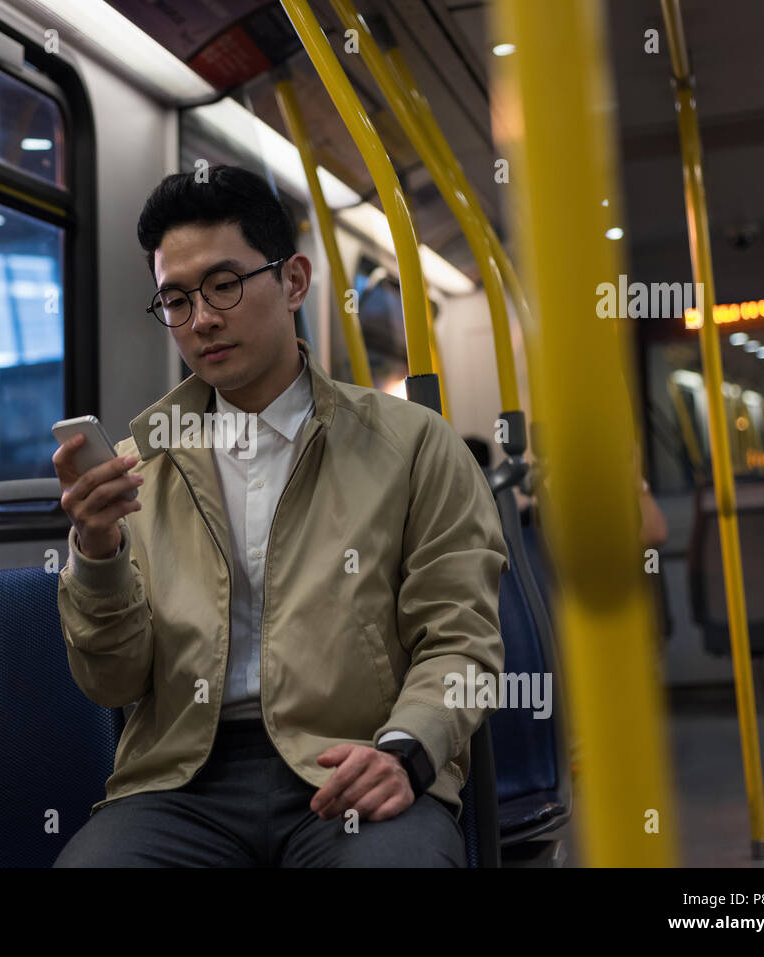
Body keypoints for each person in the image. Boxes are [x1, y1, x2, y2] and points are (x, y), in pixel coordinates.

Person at [51, 166, 508, 867]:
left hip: (353, 758)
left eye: (223, 285)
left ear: (293, 282)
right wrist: (98, 552)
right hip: (183, 781)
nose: (200, 319)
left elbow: (461, 642)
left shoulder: (413, 446)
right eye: (175, 299)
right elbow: (112, 684)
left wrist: (406, 751)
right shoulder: (144, 465)